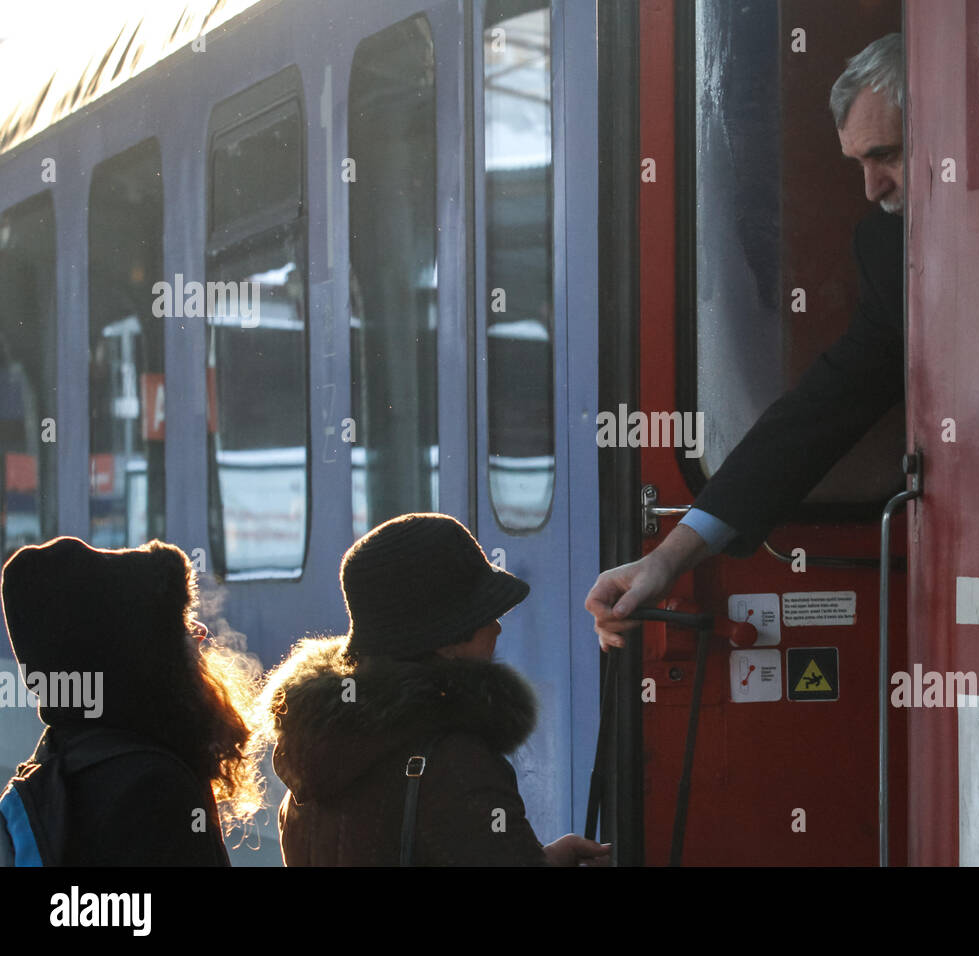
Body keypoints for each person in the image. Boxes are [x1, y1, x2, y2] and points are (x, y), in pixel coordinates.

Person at [587, 33, 907, 649]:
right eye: (859, 164)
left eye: (887, 154)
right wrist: (668, 558)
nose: (872, 189)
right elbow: (820, 410)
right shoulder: (886, 249)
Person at [264, 512, 610, 866]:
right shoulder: (455, 765)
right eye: (484, 617)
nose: (496, 630)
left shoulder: (309, 757)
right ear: (445, 641)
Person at [0, 536, 262, 865]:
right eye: (178, 623)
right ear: (142, 655)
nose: (200, 634)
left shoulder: (57, 762)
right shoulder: (156, 789)